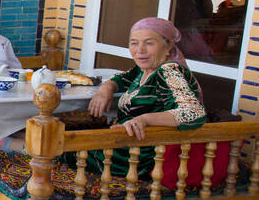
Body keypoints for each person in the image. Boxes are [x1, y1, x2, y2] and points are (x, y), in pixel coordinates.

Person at [83, 17, 206, 176]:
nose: (140, 50)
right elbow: (122, 78)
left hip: (143, 157)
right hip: (127, 146)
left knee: (65, 149)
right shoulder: (145, 69)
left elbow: (193, 113)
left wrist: (145, 119)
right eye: (134, 43)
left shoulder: (168, 71)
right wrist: (106, 88)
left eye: (149, 43)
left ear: (168, 46)